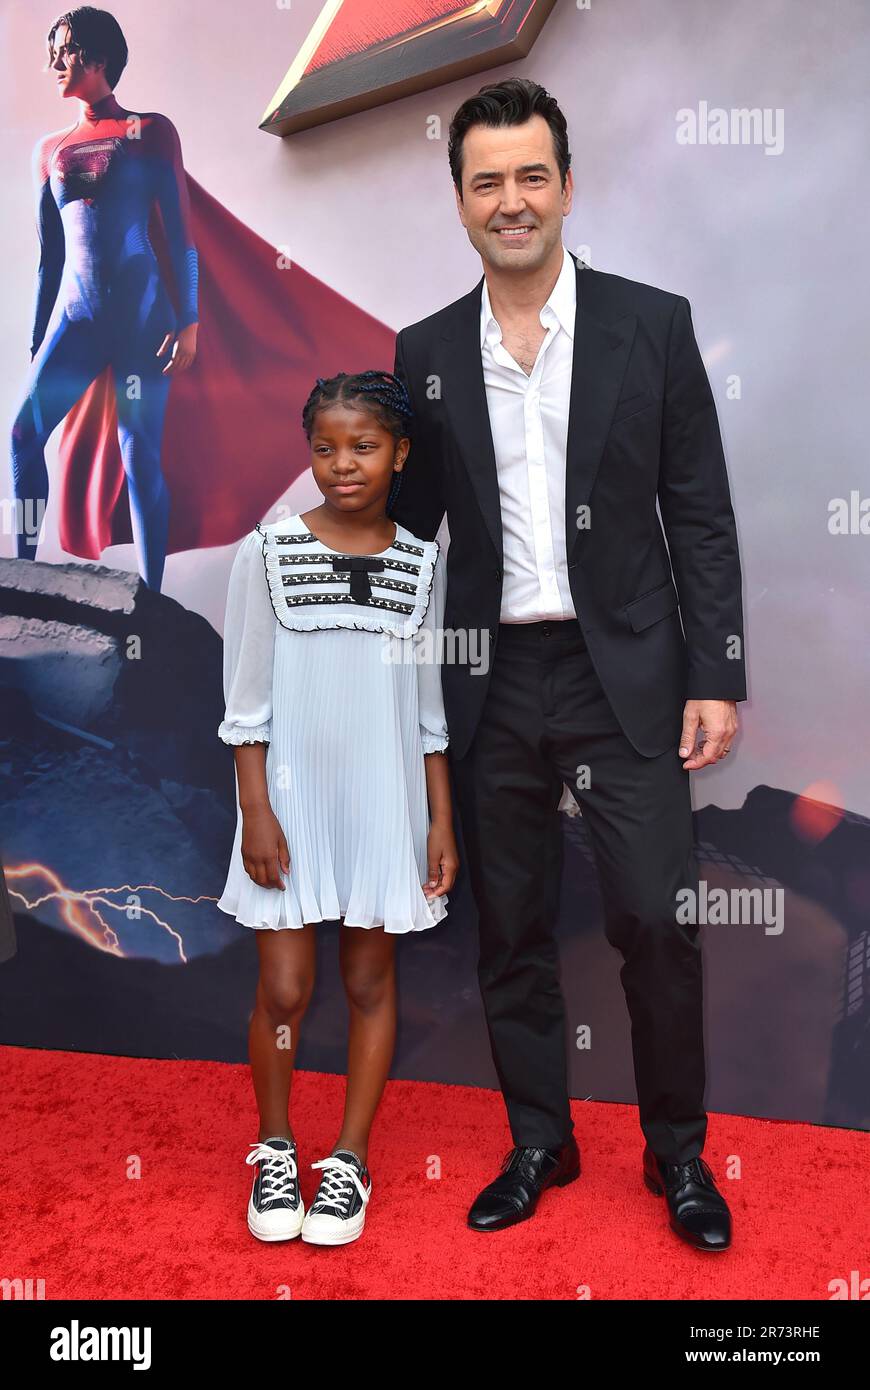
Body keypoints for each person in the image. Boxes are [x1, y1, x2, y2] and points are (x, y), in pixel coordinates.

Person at [390, 78, 746, 1250]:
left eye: (530, 175)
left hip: (628, 674)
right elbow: (412, 525)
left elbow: (697, 511)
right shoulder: (427, 351)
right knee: (510, 927)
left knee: (656, 916)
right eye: (486, 181)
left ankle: (679, 1156)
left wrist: (718, 672)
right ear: (459, 201)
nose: (511, 200)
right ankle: (542, 1137)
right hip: (492, 681)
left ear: (566, 185)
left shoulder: (654, 323)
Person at [216, 369, 458, 1246]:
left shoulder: (421, 564)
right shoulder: (269, 553)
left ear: (399, 453)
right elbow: (246, 704)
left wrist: (439, 820)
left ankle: (349, 1160)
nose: (342, 464)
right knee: (284, 988)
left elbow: (428, 714)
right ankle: (276, 1146)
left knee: (367, 982)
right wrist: (255, 810)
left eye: (363, 447)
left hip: (385, 806)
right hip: (289, 807)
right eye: (325, 448)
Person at [10, 6, 198, 590]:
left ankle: (152, 597)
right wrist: (39, 341)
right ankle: (23, 572)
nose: (53, 64)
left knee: (139, 455)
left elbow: (183, 234)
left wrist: (190, 319)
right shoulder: (48, 150)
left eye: (63, 51)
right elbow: (50, 259)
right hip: (76, 319)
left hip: (146, 323)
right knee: (22, 435)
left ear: (95, 53)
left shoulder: (152, 130)